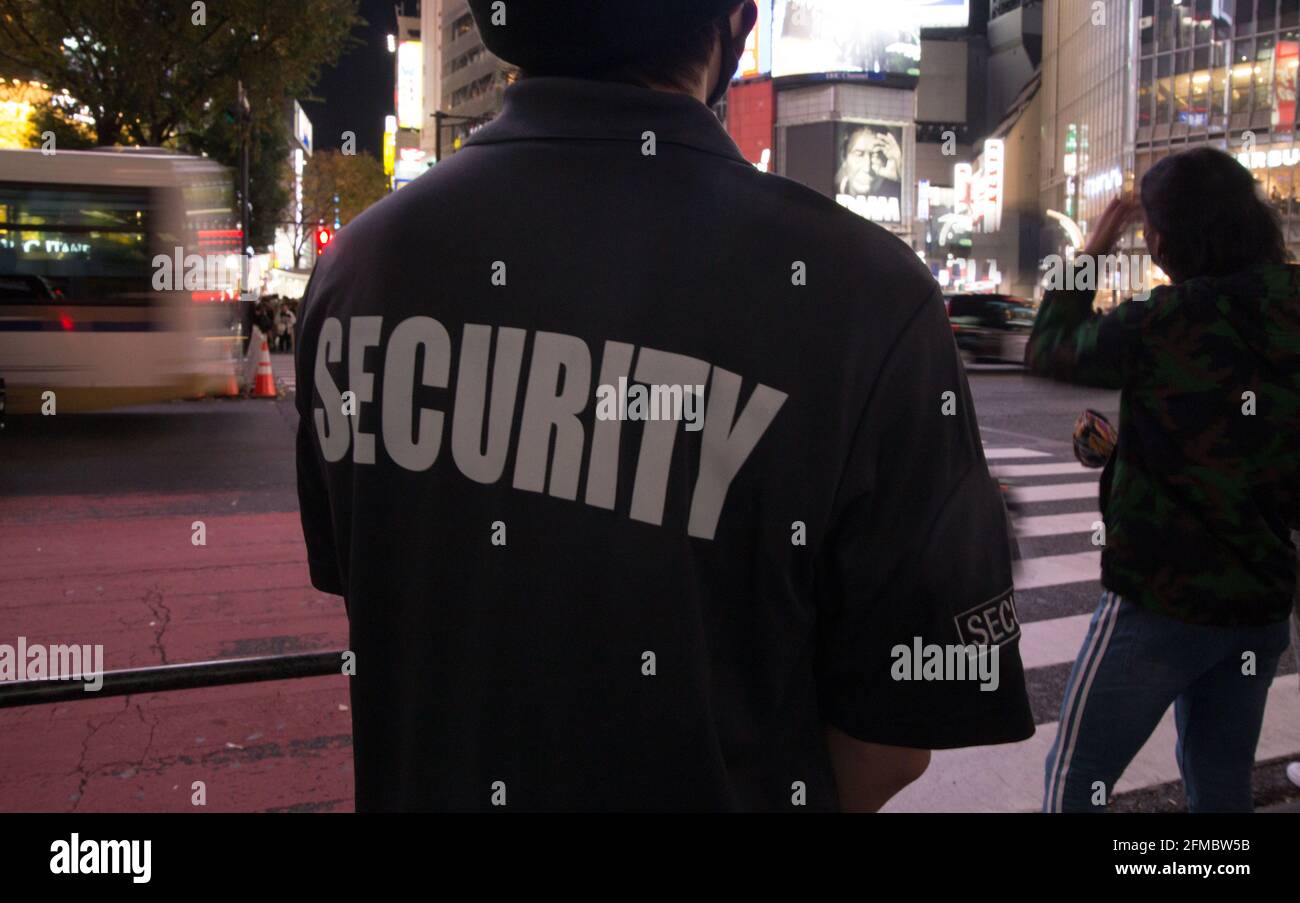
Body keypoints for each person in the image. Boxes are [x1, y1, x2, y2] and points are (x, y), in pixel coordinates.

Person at [295, 0, 1032, 812]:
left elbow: (364, 579)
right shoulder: (868, 294)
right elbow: (890, 741)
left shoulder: (359, 271)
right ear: (737, 24)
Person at [1028, 147, 1300, 812]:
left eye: (1150, 225)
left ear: (1171, 237)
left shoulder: (1163, 319)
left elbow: (1052, 344)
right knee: (1219, 781)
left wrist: (1093, 243)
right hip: (1259, 599)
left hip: (1161, 598)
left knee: (1078, 775)